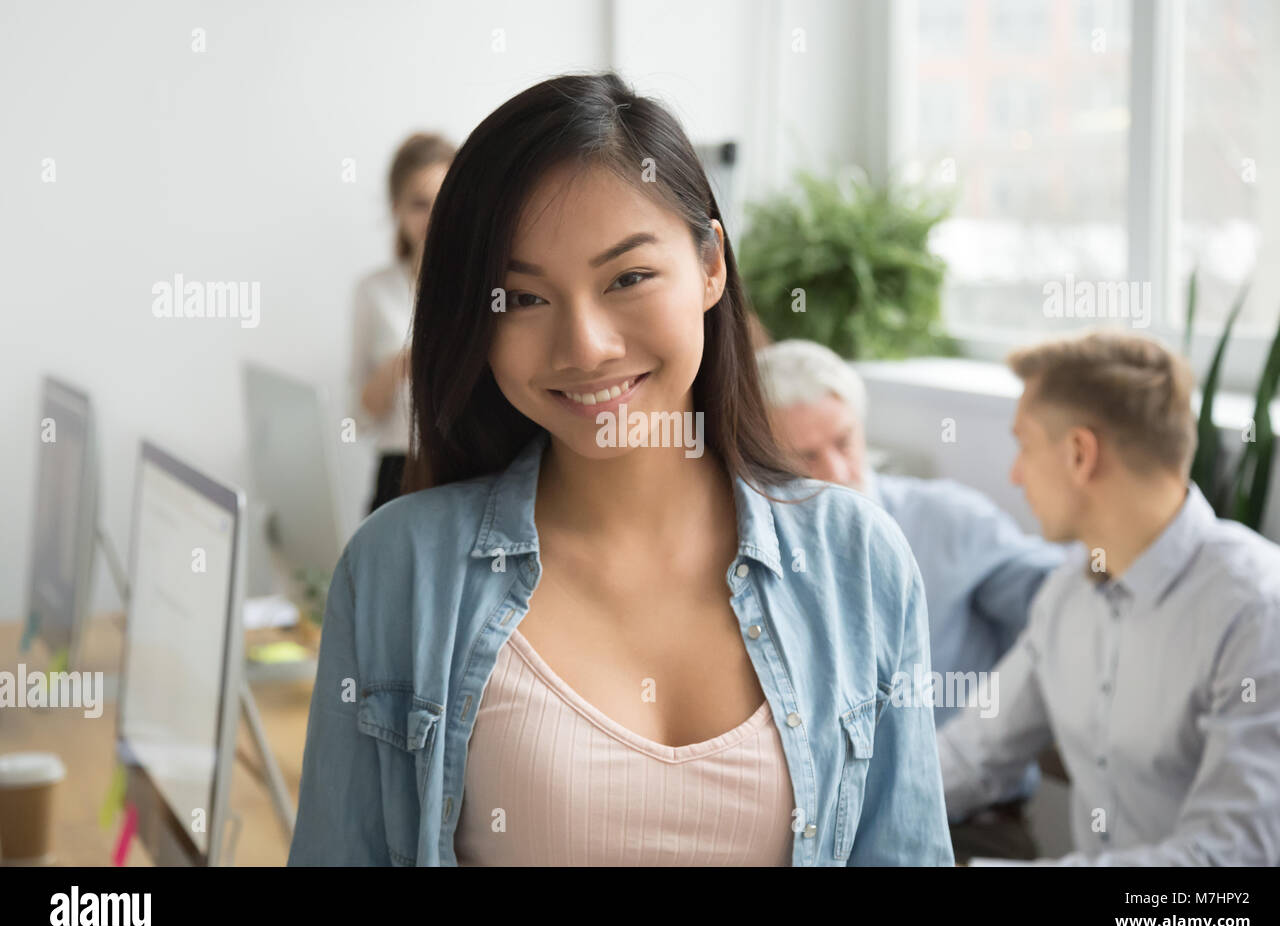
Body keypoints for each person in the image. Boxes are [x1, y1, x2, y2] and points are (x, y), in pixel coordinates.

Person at [289, 72, 953, 866]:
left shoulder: (859, 562)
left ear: (710, 266)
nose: (585, 346)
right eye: (523, 300)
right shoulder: (400, 568)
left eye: (628, 278)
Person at [938, 330, 1280, 865]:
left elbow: (1226, 863)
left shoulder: (1263, 611)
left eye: (1025, 445)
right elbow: (971, 756)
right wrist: (825, 816)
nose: (1015, 474)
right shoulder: (1068, 590)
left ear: (1081, 453)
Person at [756, 339, 1064, 861]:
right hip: (815, 839)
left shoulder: (949, 522)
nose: (834, 470)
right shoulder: (756, 562)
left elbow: (1067, 598)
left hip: (963, 826)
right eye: (804, 456)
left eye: (844, 441)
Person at [350, 131, 457, 514]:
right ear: (396, 208)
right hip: (399, 471)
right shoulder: (373, 292)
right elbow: (360, 412)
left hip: (469, 470)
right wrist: (406, 361)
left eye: (442, 200)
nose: (433, 217)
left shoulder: (486, 286)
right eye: (419, 204)